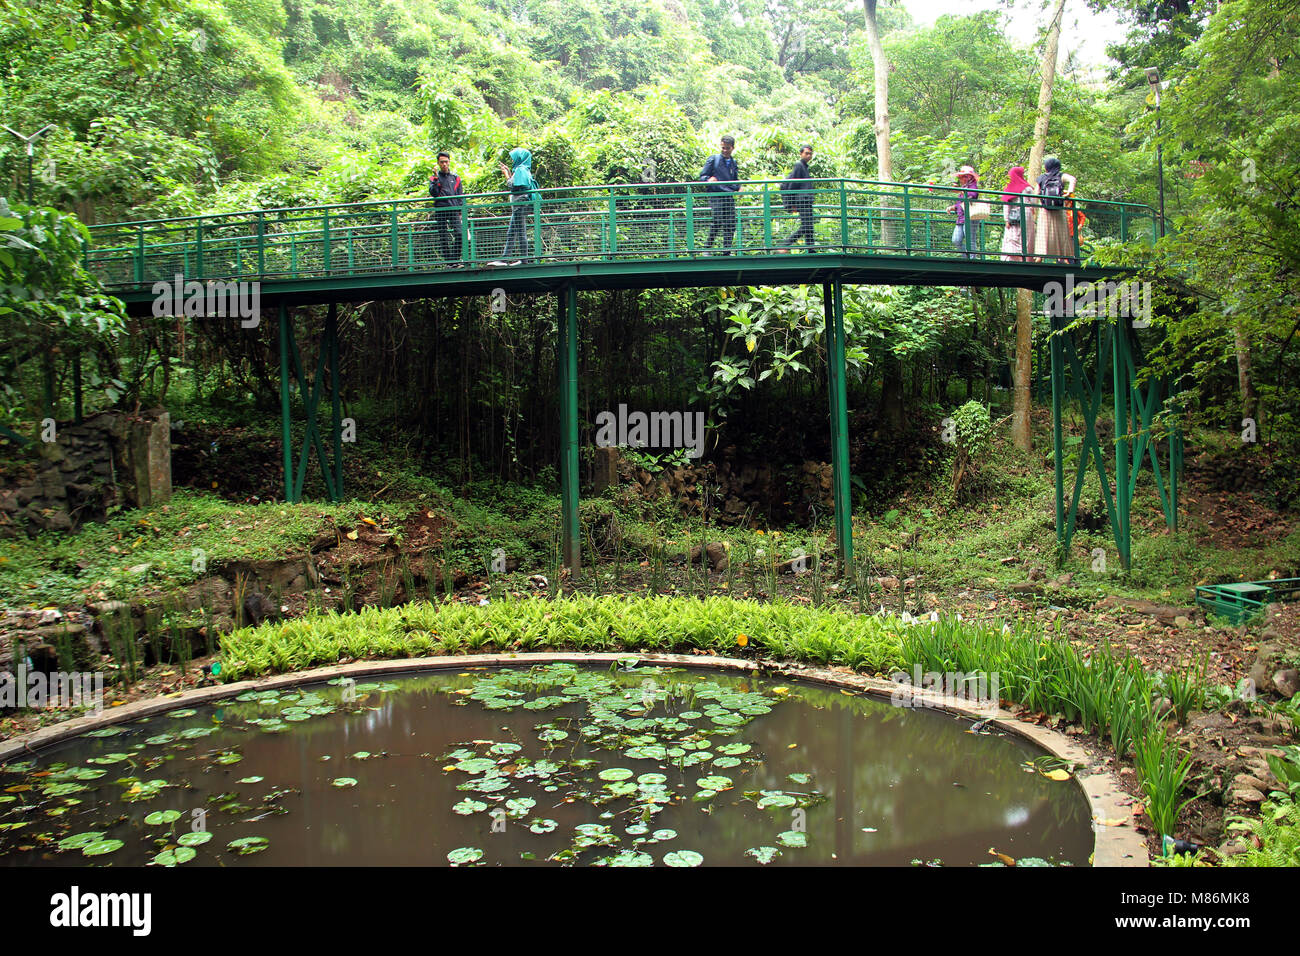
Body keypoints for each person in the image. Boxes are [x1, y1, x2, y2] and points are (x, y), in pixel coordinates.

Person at [491, 147, 538, 266]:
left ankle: (523, 260)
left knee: (520, 232)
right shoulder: (521, 170)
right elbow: (518, 184)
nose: (512, 161)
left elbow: (512, 186)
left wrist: (506, 175)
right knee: (512, 232)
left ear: (519, 158)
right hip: (520, 205)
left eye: (514, 158)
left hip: (520, 205)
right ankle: (506, 259)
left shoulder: (521, 170)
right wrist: (510, 172)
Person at [700, 136, 741, 254]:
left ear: (732, 148)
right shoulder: (714, 159)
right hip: (716, 195)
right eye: (723, 148)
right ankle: (707, 248)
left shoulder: (733, 162)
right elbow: (702, 177)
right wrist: (709, 180)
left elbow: (734, 180)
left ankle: (726, 251)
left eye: (727, 148)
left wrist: (739, 187)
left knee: (730, 223)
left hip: (728, 196)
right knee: (717, 220)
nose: (725, 150)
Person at [1033, 155, 1077, 264]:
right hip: (1059, 209)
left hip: (1045, 211)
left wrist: (1034, 207)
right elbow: (1072, 179)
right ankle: (1064, 257)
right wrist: (1069, 191)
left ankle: (1039, 257)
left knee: (1043, 233)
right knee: (1062, 232)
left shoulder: (1042, 178)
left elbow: (1036, 194)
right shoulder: (1060, 176)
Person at [428, 151, 465, 266]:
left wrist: (460, 211)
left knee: (459, 233)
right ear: (438, 163)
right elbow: (433, 193)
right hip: (440, 209)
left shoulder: (455, 177)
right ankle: (450, 262)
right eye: (441, 162)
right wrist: (434, 178)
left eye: (446, 162)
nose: (444, 164)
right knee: (443, 236)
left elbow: (460, 195)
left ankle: (454, 259)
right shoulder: (434, 177)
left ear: (449, 162)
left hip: (453, 208)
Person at [776, 145, 815, 253]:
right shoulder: (799, 165)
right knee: (807, 225)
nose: (809, 155)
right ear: (801, 154)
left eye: (810, 153)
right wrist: (791, 203)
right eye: (806, 153)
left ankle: (810, 249)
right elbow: (793, 184)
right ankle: (786, 244)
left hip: (806, 200)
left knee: (809, 225)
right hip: (802, 200)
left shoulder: (804, 167)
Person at [999, 165, 1035, 263]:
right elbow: (1034, 201)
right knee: (1026, 237)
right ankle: (1026, 259)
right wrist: (1032, 208)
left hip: (1013, 214)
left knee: (1012, 235)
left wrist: (1006, 219)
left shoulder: (1009, 188)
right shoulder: (1027, 188)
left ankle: (1011, 258)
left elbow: (1006, 205)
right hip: (1026, 214)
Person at [949, 165, 982, 258]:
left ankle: (972, 261)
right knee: (956, 240)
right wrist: (953, 207)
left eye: (963, 176)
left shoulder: (973, 187)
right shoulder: (964, 187)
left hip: (970, 217)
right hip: (961, 218)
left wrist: (960, 191)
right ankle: (967, 257)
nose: (960, 179)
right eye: (960, 177)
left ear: (969, 177)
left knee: (970, 240)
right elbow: (960, 203)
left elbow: (971, 197)